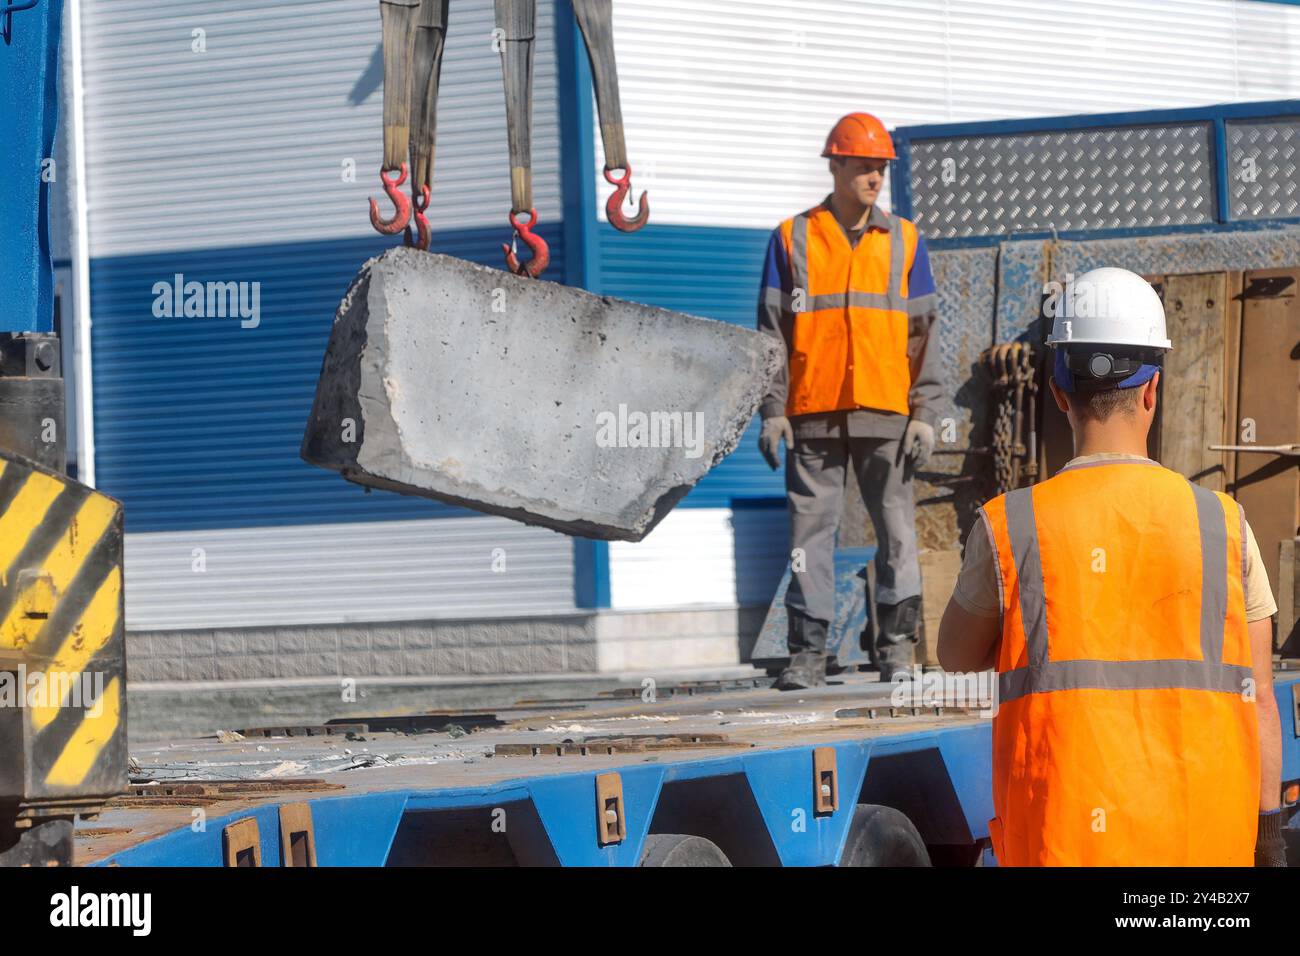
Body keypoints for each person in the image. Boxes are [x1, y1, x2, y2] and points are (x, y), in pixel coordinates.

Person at [937, 267, 1287, 866]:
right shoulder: (1224, 525)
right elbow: (1258, 703)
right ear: (1153, 390)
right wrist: (1272, 837)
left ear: (1059, 394)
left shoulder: (1010, 526)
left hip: (1062, 844)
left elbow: (955, 657)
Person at [756, 112, 943, 690]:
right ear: (835, 164)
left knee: (897, 532)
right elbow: (770, 333)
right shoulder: (792, 237)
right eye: (863, 166)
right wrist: (772, 410)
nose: (874, 177)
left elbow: (925, 334)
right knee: (808, 536)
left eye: (880, 167)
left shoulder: (906, 240)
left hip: (887, 410)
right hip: (813, 411)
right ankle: (807, 655)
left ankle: (897, 649)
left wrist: (927, 413)